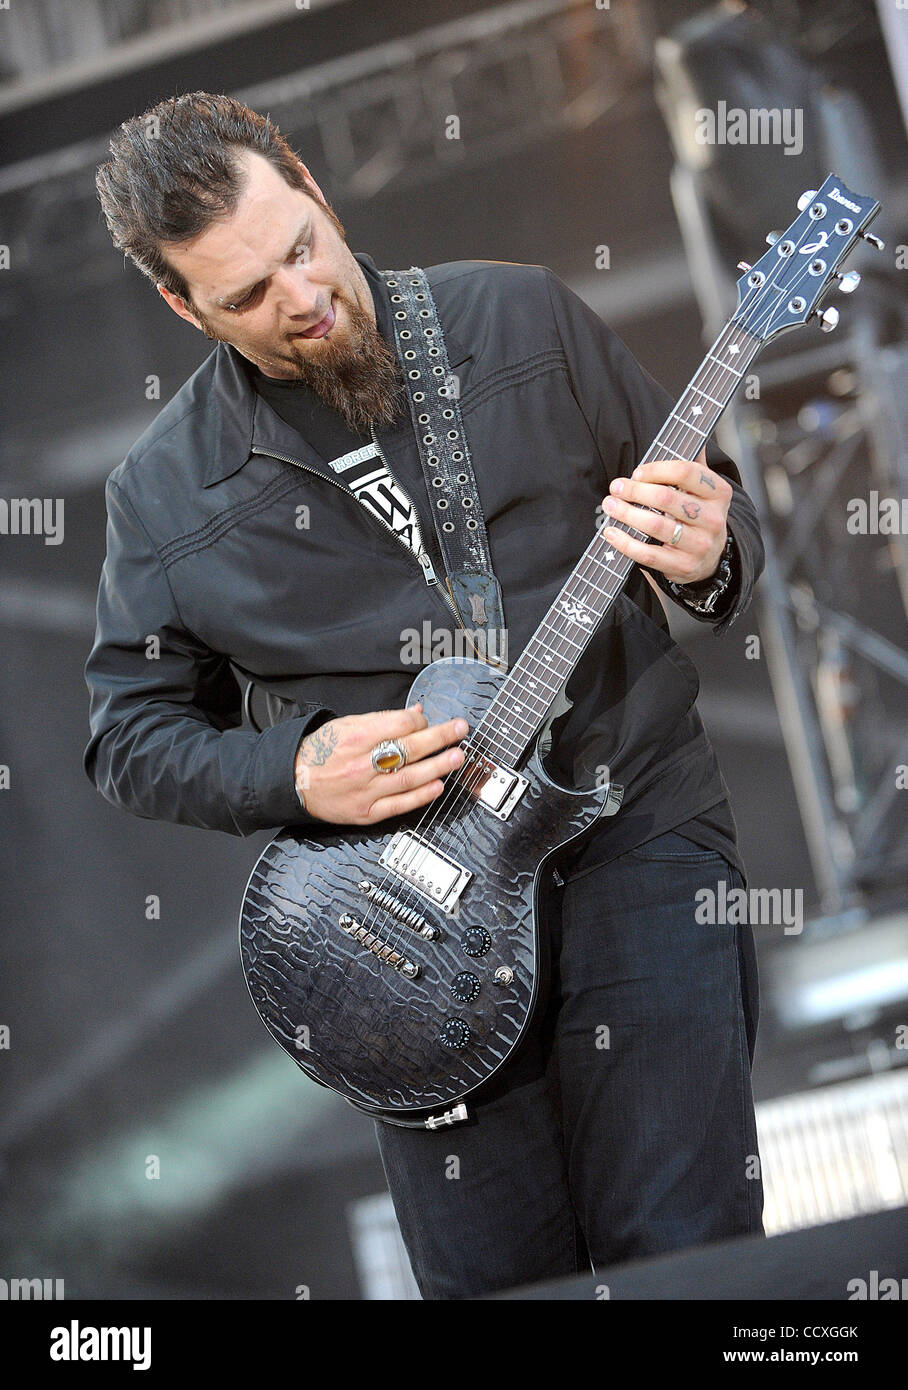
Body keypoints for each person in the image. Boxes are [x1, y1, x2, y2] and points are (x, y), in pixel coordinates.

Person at [85, 92, 765, 1299]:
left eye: (300, 245)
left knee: (687, 1254)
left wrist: (710, 548)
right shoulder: (162, 494)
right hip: (405, 931)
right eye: (245, 296)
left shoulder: (515, 315)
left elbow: (705, 519)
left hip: (632, 837)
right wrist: (292, 770)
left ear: (313, 185)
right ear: (181, 306)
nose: (301, 298)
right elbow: (128, 736)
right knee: (497, 1283)